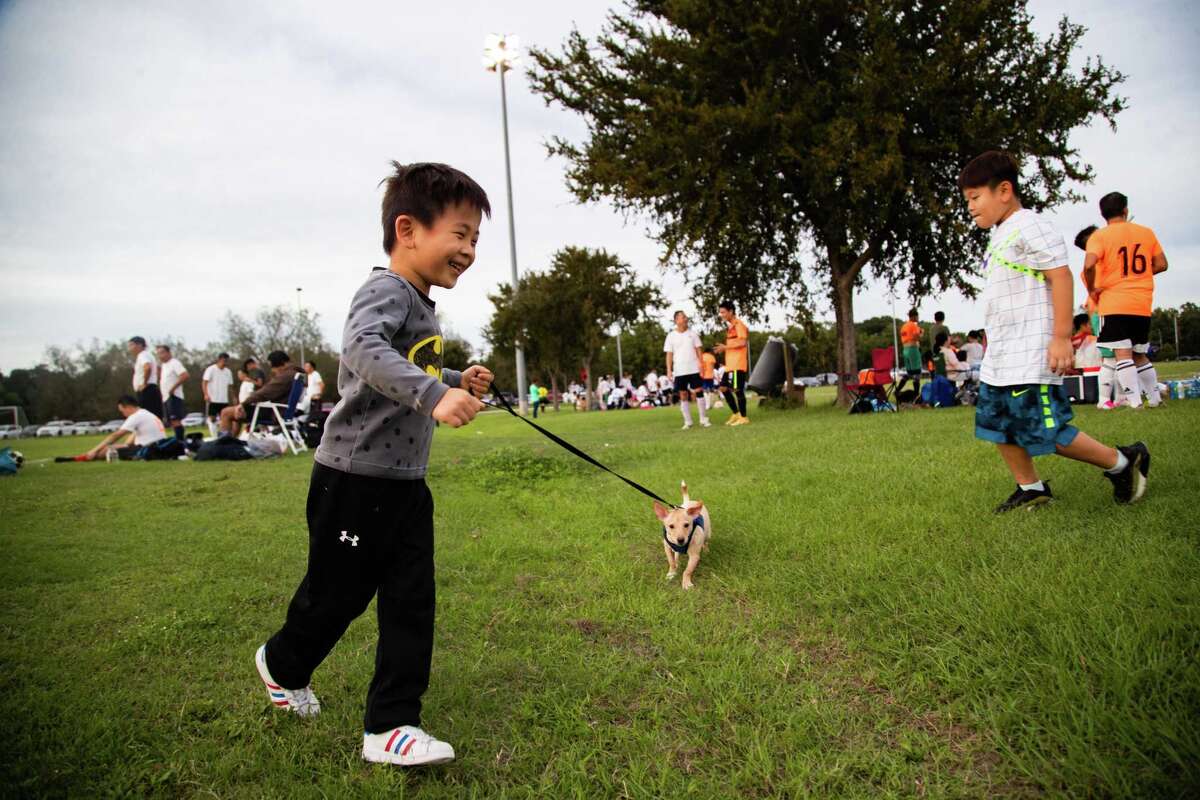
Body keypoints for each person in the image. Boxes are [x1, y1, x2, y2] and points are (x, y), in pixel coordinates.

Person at [255, 161, 493, 768]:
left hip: (406, 484)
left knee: (412, 599)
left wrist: (453, 377)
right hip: (354, 481)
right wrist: (435, 395)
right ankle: (282, 663)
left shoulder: (421, 303)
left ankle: (391, 724)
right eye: (460, 234)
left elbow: (405, 362)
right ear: (408, 230)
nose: (469, 250)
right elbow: (364, 350)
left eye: (475, 239)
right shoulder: (385, 291)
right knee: (336, 597)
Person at [958, 150, 1148, 512]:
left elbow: (1060, 276)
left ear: (1004, 191)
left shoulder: (1031, 225)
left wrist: (1061, 337)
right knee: (998, 423)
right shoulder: (1000, 234)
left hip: (1032, 352)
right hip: (1003, 357)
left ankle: (1123, 463)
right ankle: (1031, 487)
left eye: (975, 197)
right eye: (967, 199)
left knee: (1044, 428)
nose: (970, 206)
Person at [1082, 191, 1169, 409]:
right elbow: (1161, 264)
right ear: (1125, 210)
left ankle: (1135, 402)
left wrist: (1092, 289)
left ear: (1103, 214)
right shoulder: (1146, 233)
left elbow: (1089, 265)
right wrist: (1139, 275)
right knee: (1140, 354)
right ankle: (1155, 399)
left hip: (1114, 303)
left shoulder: (1100, 237)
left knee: (1122, 355)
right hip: (1142, 303)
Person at [218, 350, 298, 437]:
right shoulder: (295, 374)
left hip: (274, 412)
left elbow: (265, 393)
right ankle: (231, 441)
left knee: (226, 412)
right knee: (236, 415)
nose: (272, 370)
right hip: (282, 411)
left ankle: (224, 442)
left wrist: (243, 404)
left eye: (273, 367)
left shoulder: (285, 376)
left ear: (281, 363)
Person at [68, 395, 168, 461]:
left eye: (122, 411)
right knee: (115, 448)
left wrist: (94, 450)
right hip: (158, 447)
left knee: (107, 451)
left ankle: (87, 457)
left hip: (147, 449)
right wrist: (123, 446)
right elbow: (130, 441)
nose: (123, 415)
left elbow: (115, 436)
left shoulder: (135, 416)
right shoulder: (145, 413)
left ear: (127, 407)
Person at [664, 310, 710, 429]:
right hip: (679, 370)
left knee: (699, 391)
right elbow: (669, 354)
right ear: (676, 320)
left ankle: (703, 419)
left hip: (694, 368)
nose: (685, 319)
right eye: (683, 317)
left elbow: (699, 351)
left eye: (685, 317)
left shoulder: (693, 334)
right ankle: (688, 421)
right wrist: (669, 370)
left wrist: (701, 365)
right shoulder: (671, 336)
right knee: (683, 394)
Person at [714, 300, 750, 425]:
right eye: (720, 312)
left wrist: (726, 347)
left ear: (731, 311)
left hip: (738, 364)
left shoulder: (739, 325)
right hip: (730, 365)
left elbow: (743, 342)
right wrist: (724, 348)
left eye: (723, 312)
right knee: (723, 388)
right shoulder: (730, 327)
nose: (721, 315)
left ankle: (744, 417)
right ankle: (736, 413)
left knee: (737, 390)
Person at [156, 345, 190, 442]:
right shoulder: (164, 366)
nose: (160, 356)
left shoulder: (174, 363)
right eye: (158, 354)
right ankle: (178, 440)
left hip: (174, 396)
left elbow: (185, 375)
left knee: (176, 420)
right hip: (166, 397)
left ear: (168, 353)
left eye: (162, 353)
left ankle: (181, 442)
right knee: (171, 421)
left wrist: (173, 388)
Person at [127, 336, 163, 420]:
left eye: (131, 345)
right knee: (154, 416)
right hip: (150, 388)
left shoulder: (142, 355)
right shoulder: (148, 355)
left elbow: (147, 367)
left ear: (139, 345)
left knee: (147, 417)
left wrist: (144, 383)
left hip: (146, 390)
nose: (130, 348)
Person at [202, 353, 234, 434]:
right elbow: (204, 382)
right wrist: (206, 394)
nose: (225, 362)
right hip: (213, 399)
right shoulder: (211, 369)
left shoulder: (228, 372)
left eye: (227, 360)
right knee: (212, 418)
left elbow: (230, 386)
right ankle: (214, 436)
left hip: (224, 400)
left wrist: (234, 397)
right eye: (224, 360)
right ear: (219, 360)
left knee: (225, 419)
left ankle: (224, 435)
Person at [896, 309, 924, 399]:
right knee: (917, 373)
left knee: (909, 373)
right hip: (913, 349)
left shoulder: (904, 326)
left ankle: (897, 390)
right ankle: (916, 395)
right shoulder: (913, 325)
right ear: (914, 316)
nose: (918, 318)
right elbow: (917, 336)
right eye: (917, 316)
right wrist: (922, 333)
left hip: (905, 350)